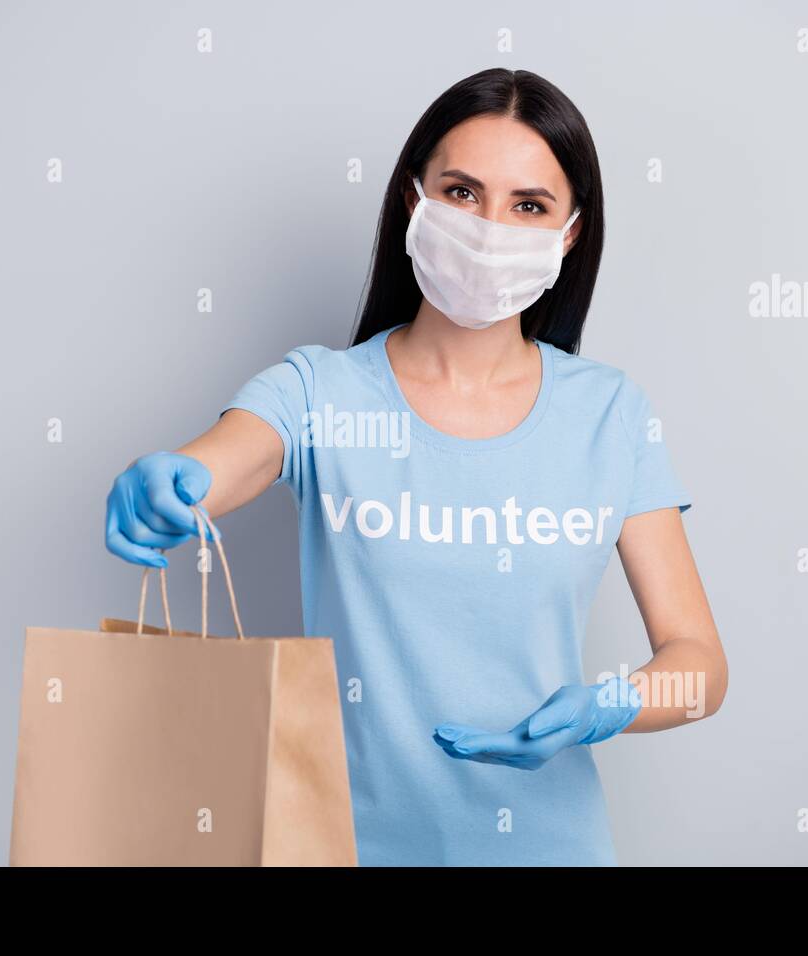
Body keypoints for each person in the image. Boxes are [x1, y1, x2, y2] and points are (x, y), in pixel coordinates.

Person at [105, 67, 727, 866]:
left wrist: (612, 704)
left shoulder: (611, 414)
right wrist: (169, 478)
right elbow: (227, 459)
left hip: (550, 846)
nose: (489, 227)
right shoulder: (317, 390)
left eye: (528, 205)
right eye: (463, 193)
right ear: (414, 199)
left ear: (569, 233)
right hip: (341, 847)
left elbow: (700, 666)